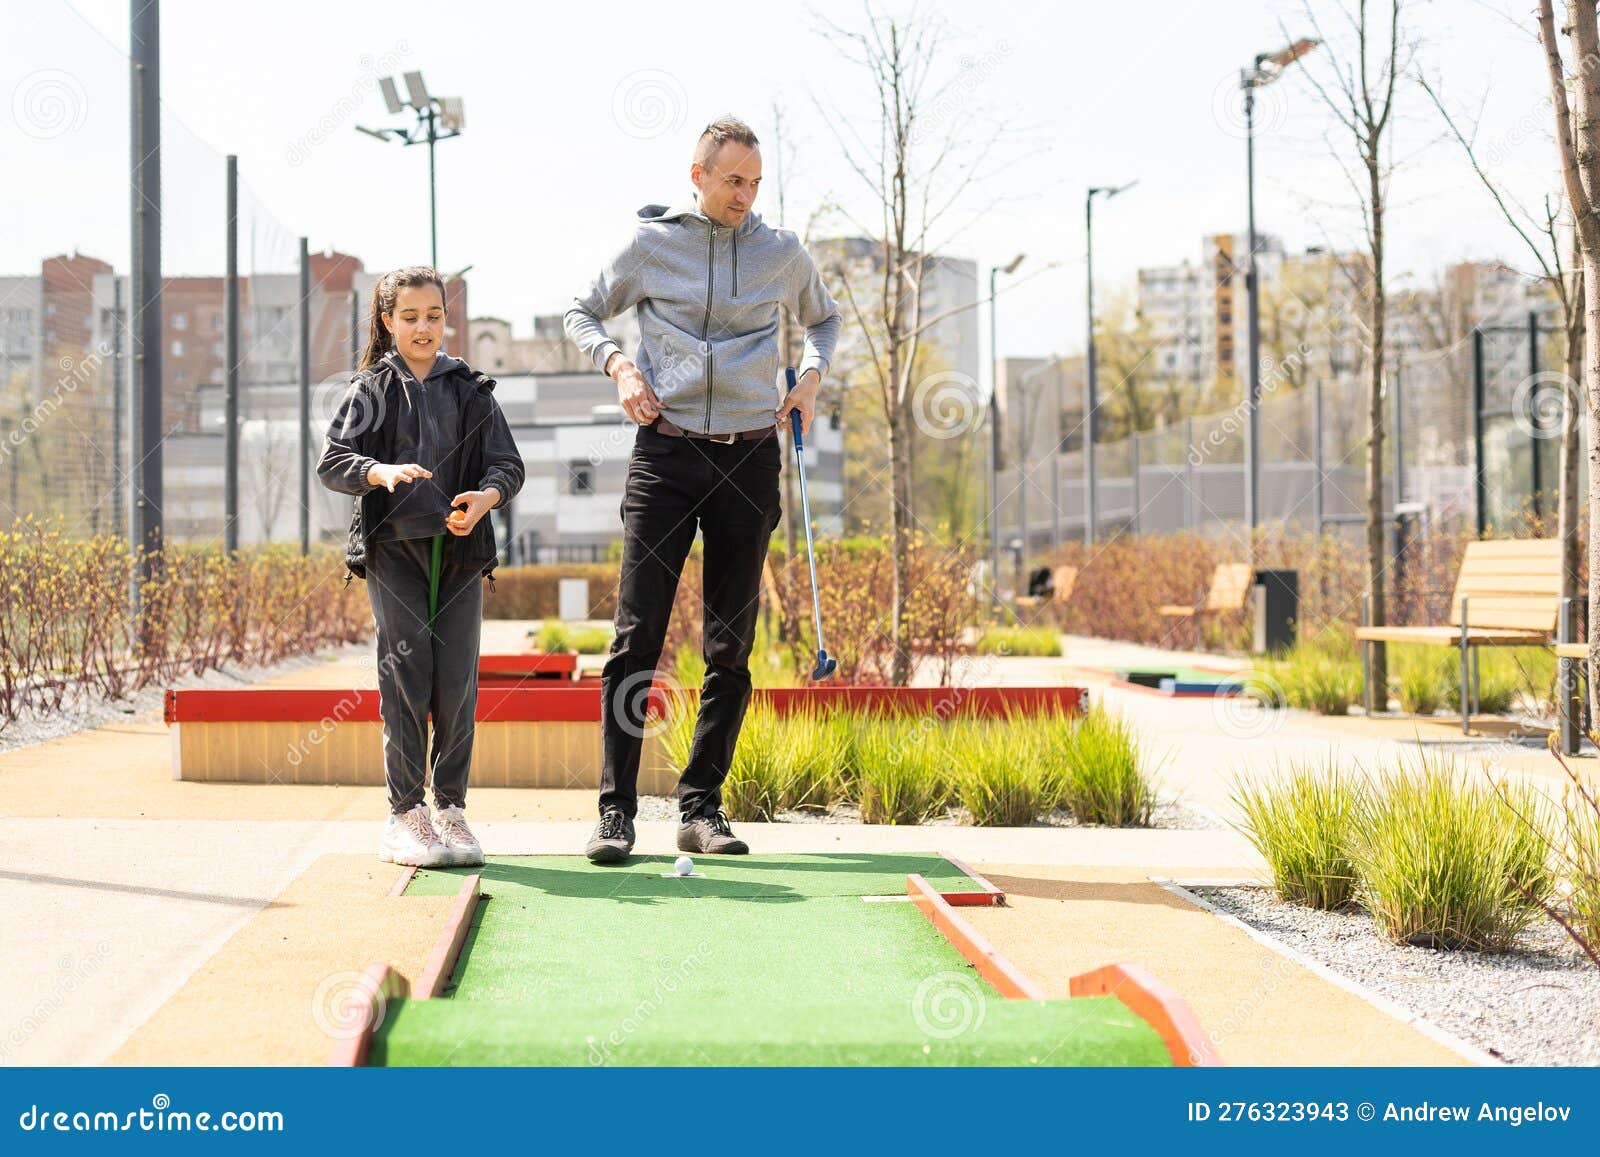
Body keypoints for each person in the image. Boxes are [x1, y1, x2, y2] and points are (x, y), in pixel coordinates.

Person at [565, 116, 841, 864]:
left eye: (754, 183)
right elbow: (581, 311)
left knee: (730, 644)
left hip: (749, 458)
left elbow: (825, 319)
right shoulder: (651, 245)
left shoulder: (781, 253)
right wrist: (620, 367)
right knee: (636, 638)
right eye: (732, 181)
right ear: (697, 175)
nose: (744, 196)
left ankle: (701, 807)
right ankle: (615, 813)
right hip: (667, 454)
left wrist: (811, 378)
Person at [318, 266, 525, 868]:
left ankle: (451, 811)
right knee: (406, 677)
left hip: (461, 553)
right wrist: (377, 473)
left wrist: (484, 499)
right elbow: (334, 461)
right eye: (409, 317)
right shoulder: (372, 390)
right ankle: (405, 815)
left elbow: (506, 466)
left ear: (445, 318)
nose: (423, 327)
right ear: (388, 322)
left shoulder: (472, 389)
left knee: (456, 679)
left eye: (433, 316)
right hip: (395, 553)